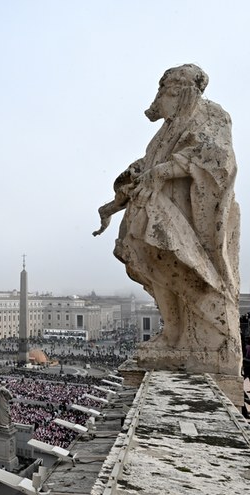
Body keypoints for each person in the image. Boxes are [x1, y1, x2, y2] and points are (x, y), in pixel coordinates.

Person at [94, 63, 241, 368]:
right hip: (149, 209)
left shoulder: (212, 115)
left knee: (174, 262)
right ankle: (174, 333)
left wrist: (166, 170)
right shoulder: (166, 128)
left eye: (166, 92)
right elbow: (148, 163)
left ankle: (192, 337)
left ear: (182, 92)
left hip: (180, 215)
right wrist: (117, 197)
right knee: (146, 260)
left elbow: (216, 157)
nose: (160, 98)